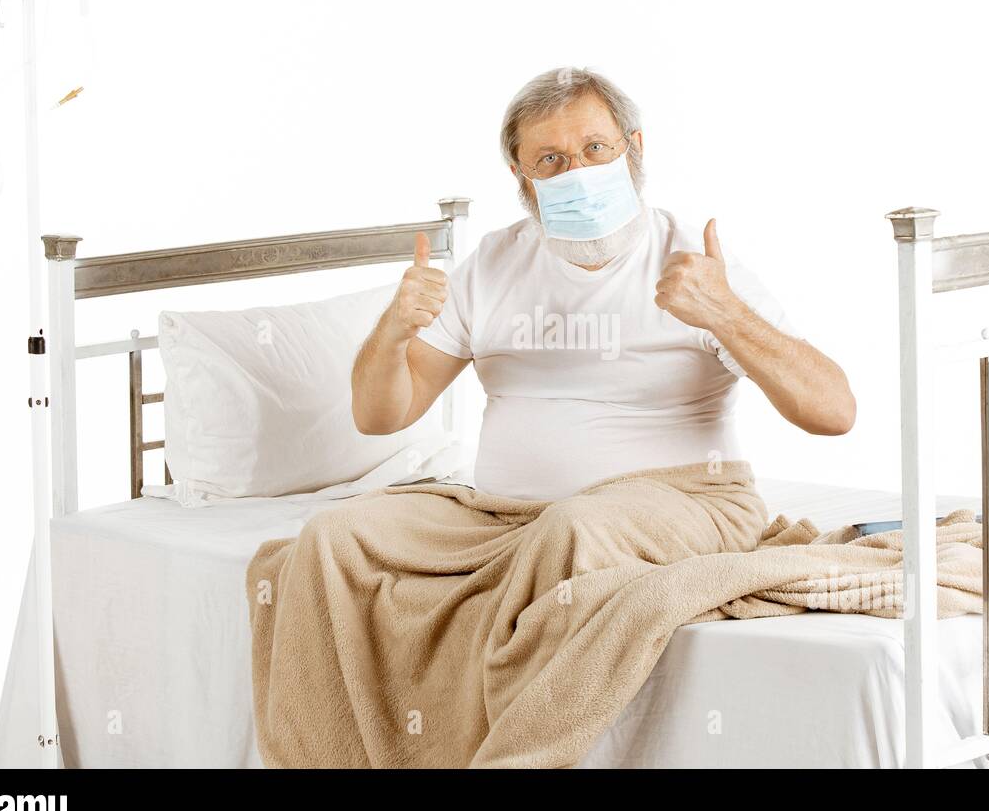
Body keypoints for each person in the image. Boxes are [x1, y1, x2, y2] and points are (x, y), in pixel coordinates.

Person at [351, 67, 855, 501]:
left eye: (595, 148)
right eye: (549, 159)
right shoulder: (493, 262)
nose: (577, 173)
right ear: (520, 176)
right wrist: (392, 332)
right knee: (342, 538)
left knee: (577, 534)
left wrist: (725, 312)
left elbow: (832, 413)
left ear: (633, 148)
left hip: (676, 508)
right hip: (509, 521)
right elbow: (380, 419)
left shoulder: (696, 267)